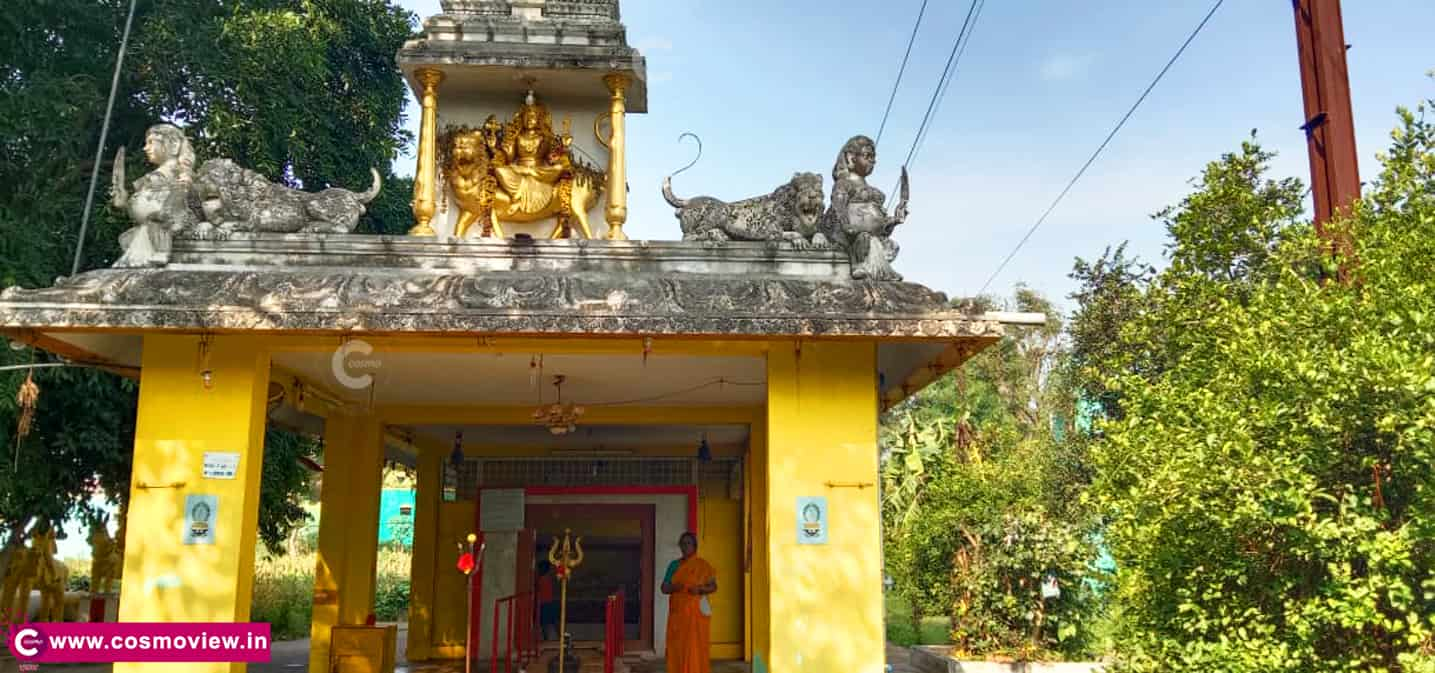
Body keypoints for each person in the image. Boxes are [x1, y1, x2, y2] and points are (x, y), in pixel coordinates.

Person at [661, 532, 716, 673]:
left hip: (696, 617)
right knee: (677, 648)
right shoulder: (674, 565)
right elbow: (664, 588)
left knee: (695, 648)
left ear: (695, 546)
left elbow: (713, 586)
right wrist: (675, 587)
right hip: (678, 617)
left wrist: (700, 589)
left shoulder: (702, 565)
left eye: (688, 544)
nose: (685, 547)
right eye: (683, 544)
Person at [536, 560, 559, 641]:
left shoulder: (546, 579)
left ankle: (557, 638)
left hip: (547, 603)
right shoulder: (546, 579)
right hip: (546, 603)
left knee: (549, 623)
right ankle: (555, 638)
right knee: (548, 623)